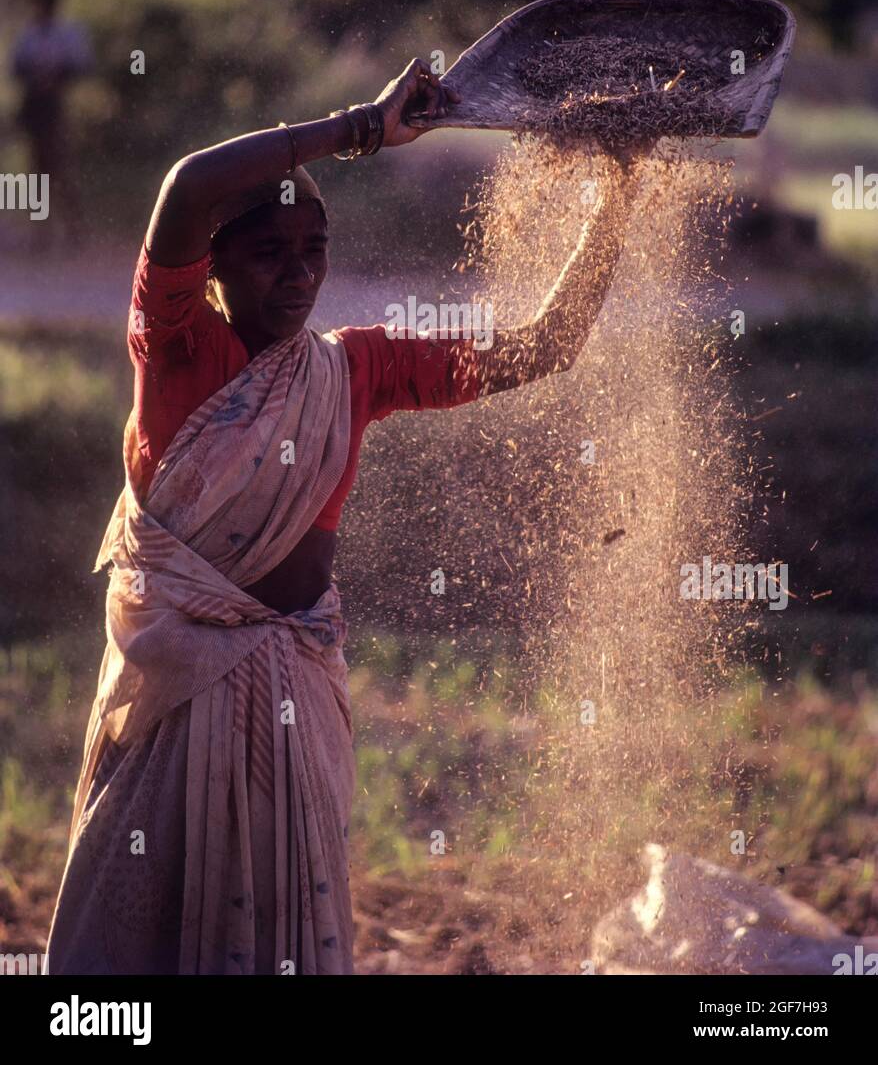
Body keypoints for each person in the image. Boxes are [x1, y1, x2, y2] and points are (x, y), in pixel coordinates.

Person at [46, 57, 647, 975]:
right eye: (268, 252)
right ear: (209, 268)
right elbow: (187, 186)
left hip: (294, 691)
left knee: (281, 919)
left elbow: (546, 347)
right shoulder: (175, 352)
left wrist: (618, 191)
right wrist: (359, 127)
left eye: (314, 249)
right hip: (177, 695)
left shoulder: (351, 370)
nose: (299, 275)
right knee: (144, 926)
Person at [10, 0, 93, 239]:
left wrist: (55, 78)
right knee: (38, 168)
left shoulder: (67, 32)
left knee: (58, 165)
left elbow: (80, 66)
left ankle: (73, 226)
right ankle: (42, 229)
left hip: (55, 104)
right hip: (36, 103)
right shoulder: (30, 32)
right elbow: (17, 67)